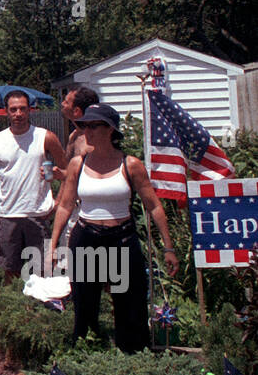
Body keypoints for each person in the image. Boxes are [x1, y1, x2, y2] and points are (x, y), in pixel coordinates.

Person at [48, 103, 178, 354]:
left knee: (130, 307)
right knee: (85, 306)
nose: (87, 130)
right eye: (84, 125)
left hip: (122, 239)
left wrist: (168, 247)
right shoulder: (77, 163)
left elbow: (154, 206)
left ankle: (133, 363)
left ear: (110, 129)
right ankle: (88, 360)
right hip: (86, 237)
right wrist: (53, 245)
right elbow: (64, 206)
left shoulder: (131, 164)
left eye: (94, 125)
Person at [0, 89, 67, 282]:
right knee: (10, 271)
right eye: (13, 109)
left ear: (30, 111)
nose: (18, 114)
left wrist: (58, 203)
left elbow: (68, 173)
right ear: (6, 112)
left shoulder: (46, 137)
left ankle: (40, 309)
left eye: (22, 109)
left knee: (41, 271)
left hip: (38, 214)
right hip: (8, 215)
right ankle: (14, 309)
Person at [61, 85, 100, 166]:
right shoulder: (74, 135)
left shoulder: (91, 142)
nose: (62, 104)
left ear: (76, 111)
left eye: (66, 102)